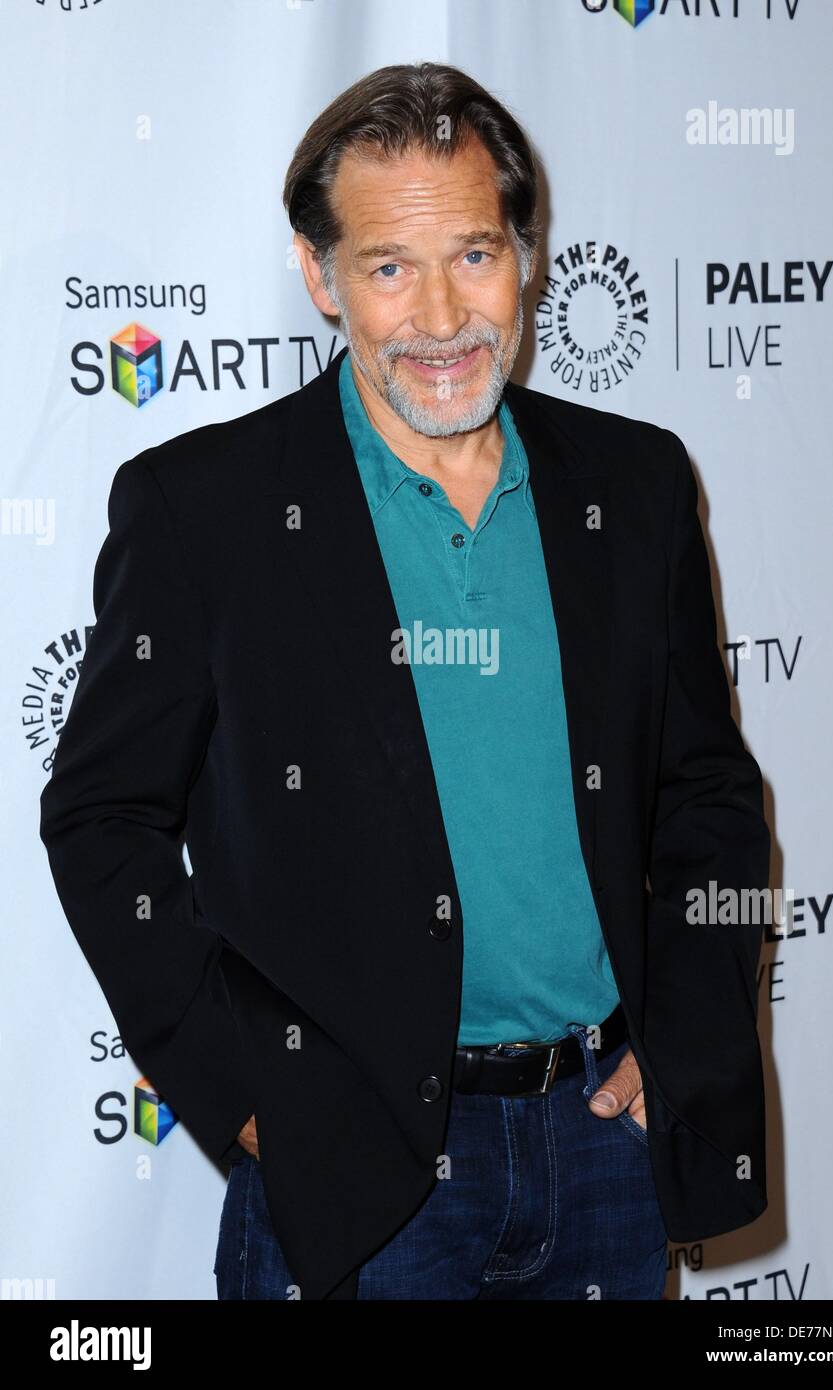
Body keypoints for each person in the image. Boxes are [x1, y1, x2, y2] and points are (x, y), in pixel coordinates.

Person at [39, 62, 771, 1301]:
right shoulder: (202, 512)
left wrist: (691, 1033)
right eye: (388, 267)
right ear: (321, 277)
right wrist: (248, 1091)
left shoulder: (637, 487)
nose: (442, 315)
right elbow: (102, 822)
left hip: (603, 1145)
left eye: (474, 255)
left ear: (526, 256)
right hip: (361, 1165)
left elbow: (706, 793)